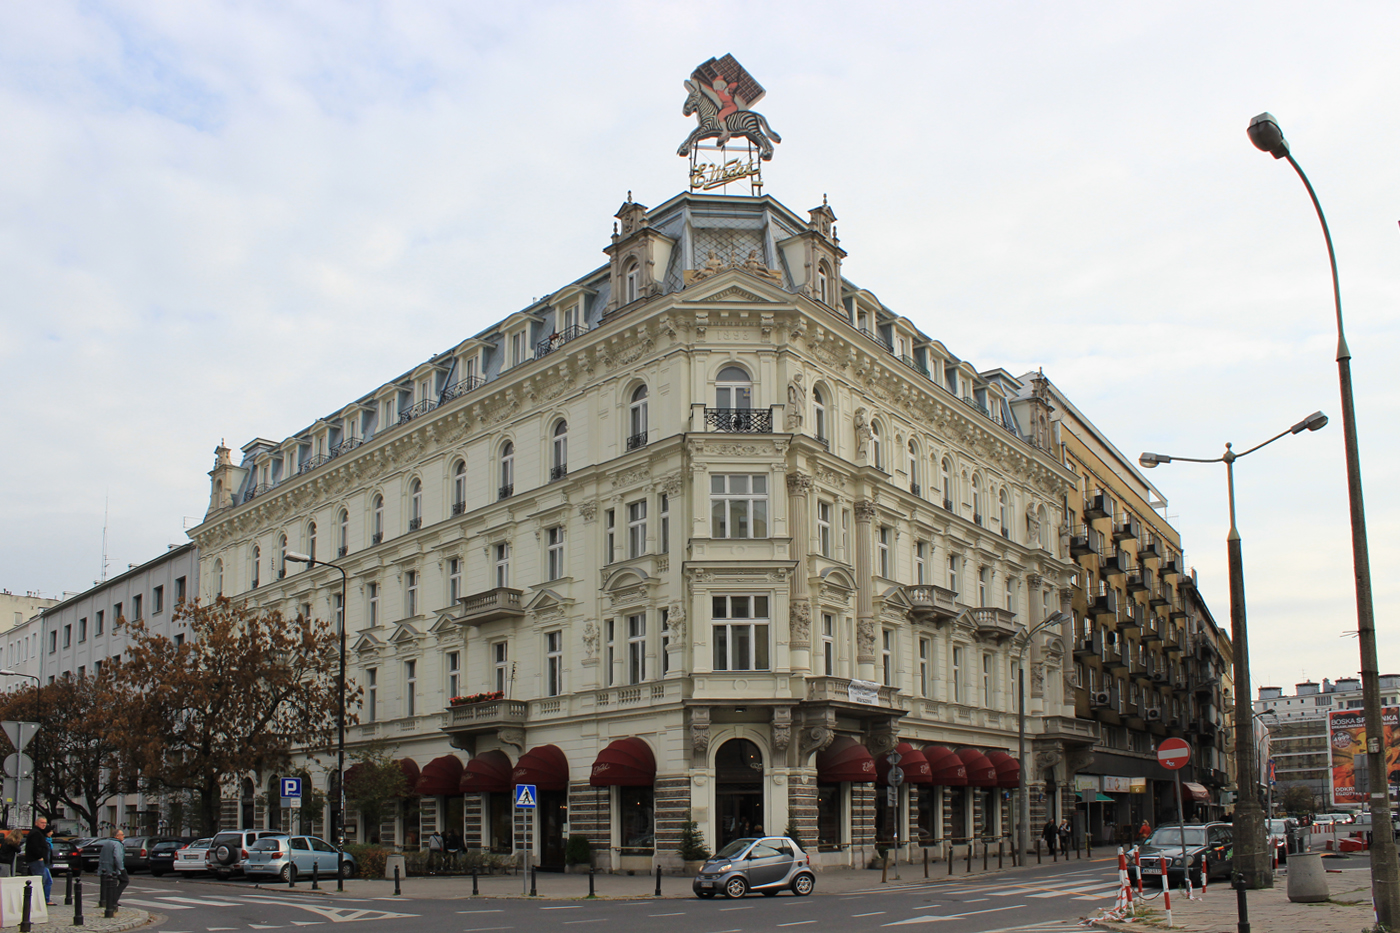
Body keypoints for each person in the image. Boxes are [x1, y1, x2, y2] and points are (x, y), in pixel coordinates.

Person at [24, 817, 53, 906]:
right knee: (40, 881)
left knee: (47, 880)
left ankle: (44, 899)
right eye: (42, 822)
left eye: (45, 823)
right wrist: (39, 856)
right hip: (37, 861)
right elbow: (34, 847)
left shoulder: (39, 833)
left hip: (41, 861)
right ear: (36, 823)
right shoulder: (35, 833)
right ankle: (39, 900)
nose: (44, 824)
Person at [98, 829, 128, 911]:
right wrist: (121, 868)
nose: (123, 836)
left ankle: (106, 901)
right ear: (117, 836)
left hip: (105, 867)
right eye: (122, 834)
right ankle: (113, 900)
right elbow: (118, 857)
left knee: (108, 885)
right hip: (114, 868)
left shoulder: (106, 842)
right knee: (125, 881)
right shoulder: (117, 844)